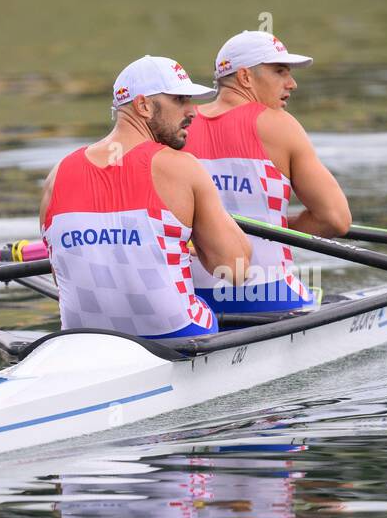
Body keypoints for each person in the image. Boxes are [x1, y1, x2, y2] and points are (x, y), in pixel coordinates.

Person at [39, 55, 250, 338]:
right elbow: (234, 271)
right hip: (175, 334)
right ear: (144, 105)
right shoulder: (182, 167)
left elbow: (62, 274)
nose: (192, 111)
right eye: (179, 100)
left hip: (81, 338)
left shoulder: (58, 174)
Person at [184, 30, 352, 313]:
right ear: (246, 77)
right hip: (266, 294)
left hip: (192, 299)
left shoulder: (177, 127)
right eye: (280, 71)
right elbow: (335, 220)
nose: (292, 83)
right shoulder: (280, 125)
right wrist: (278, 230)